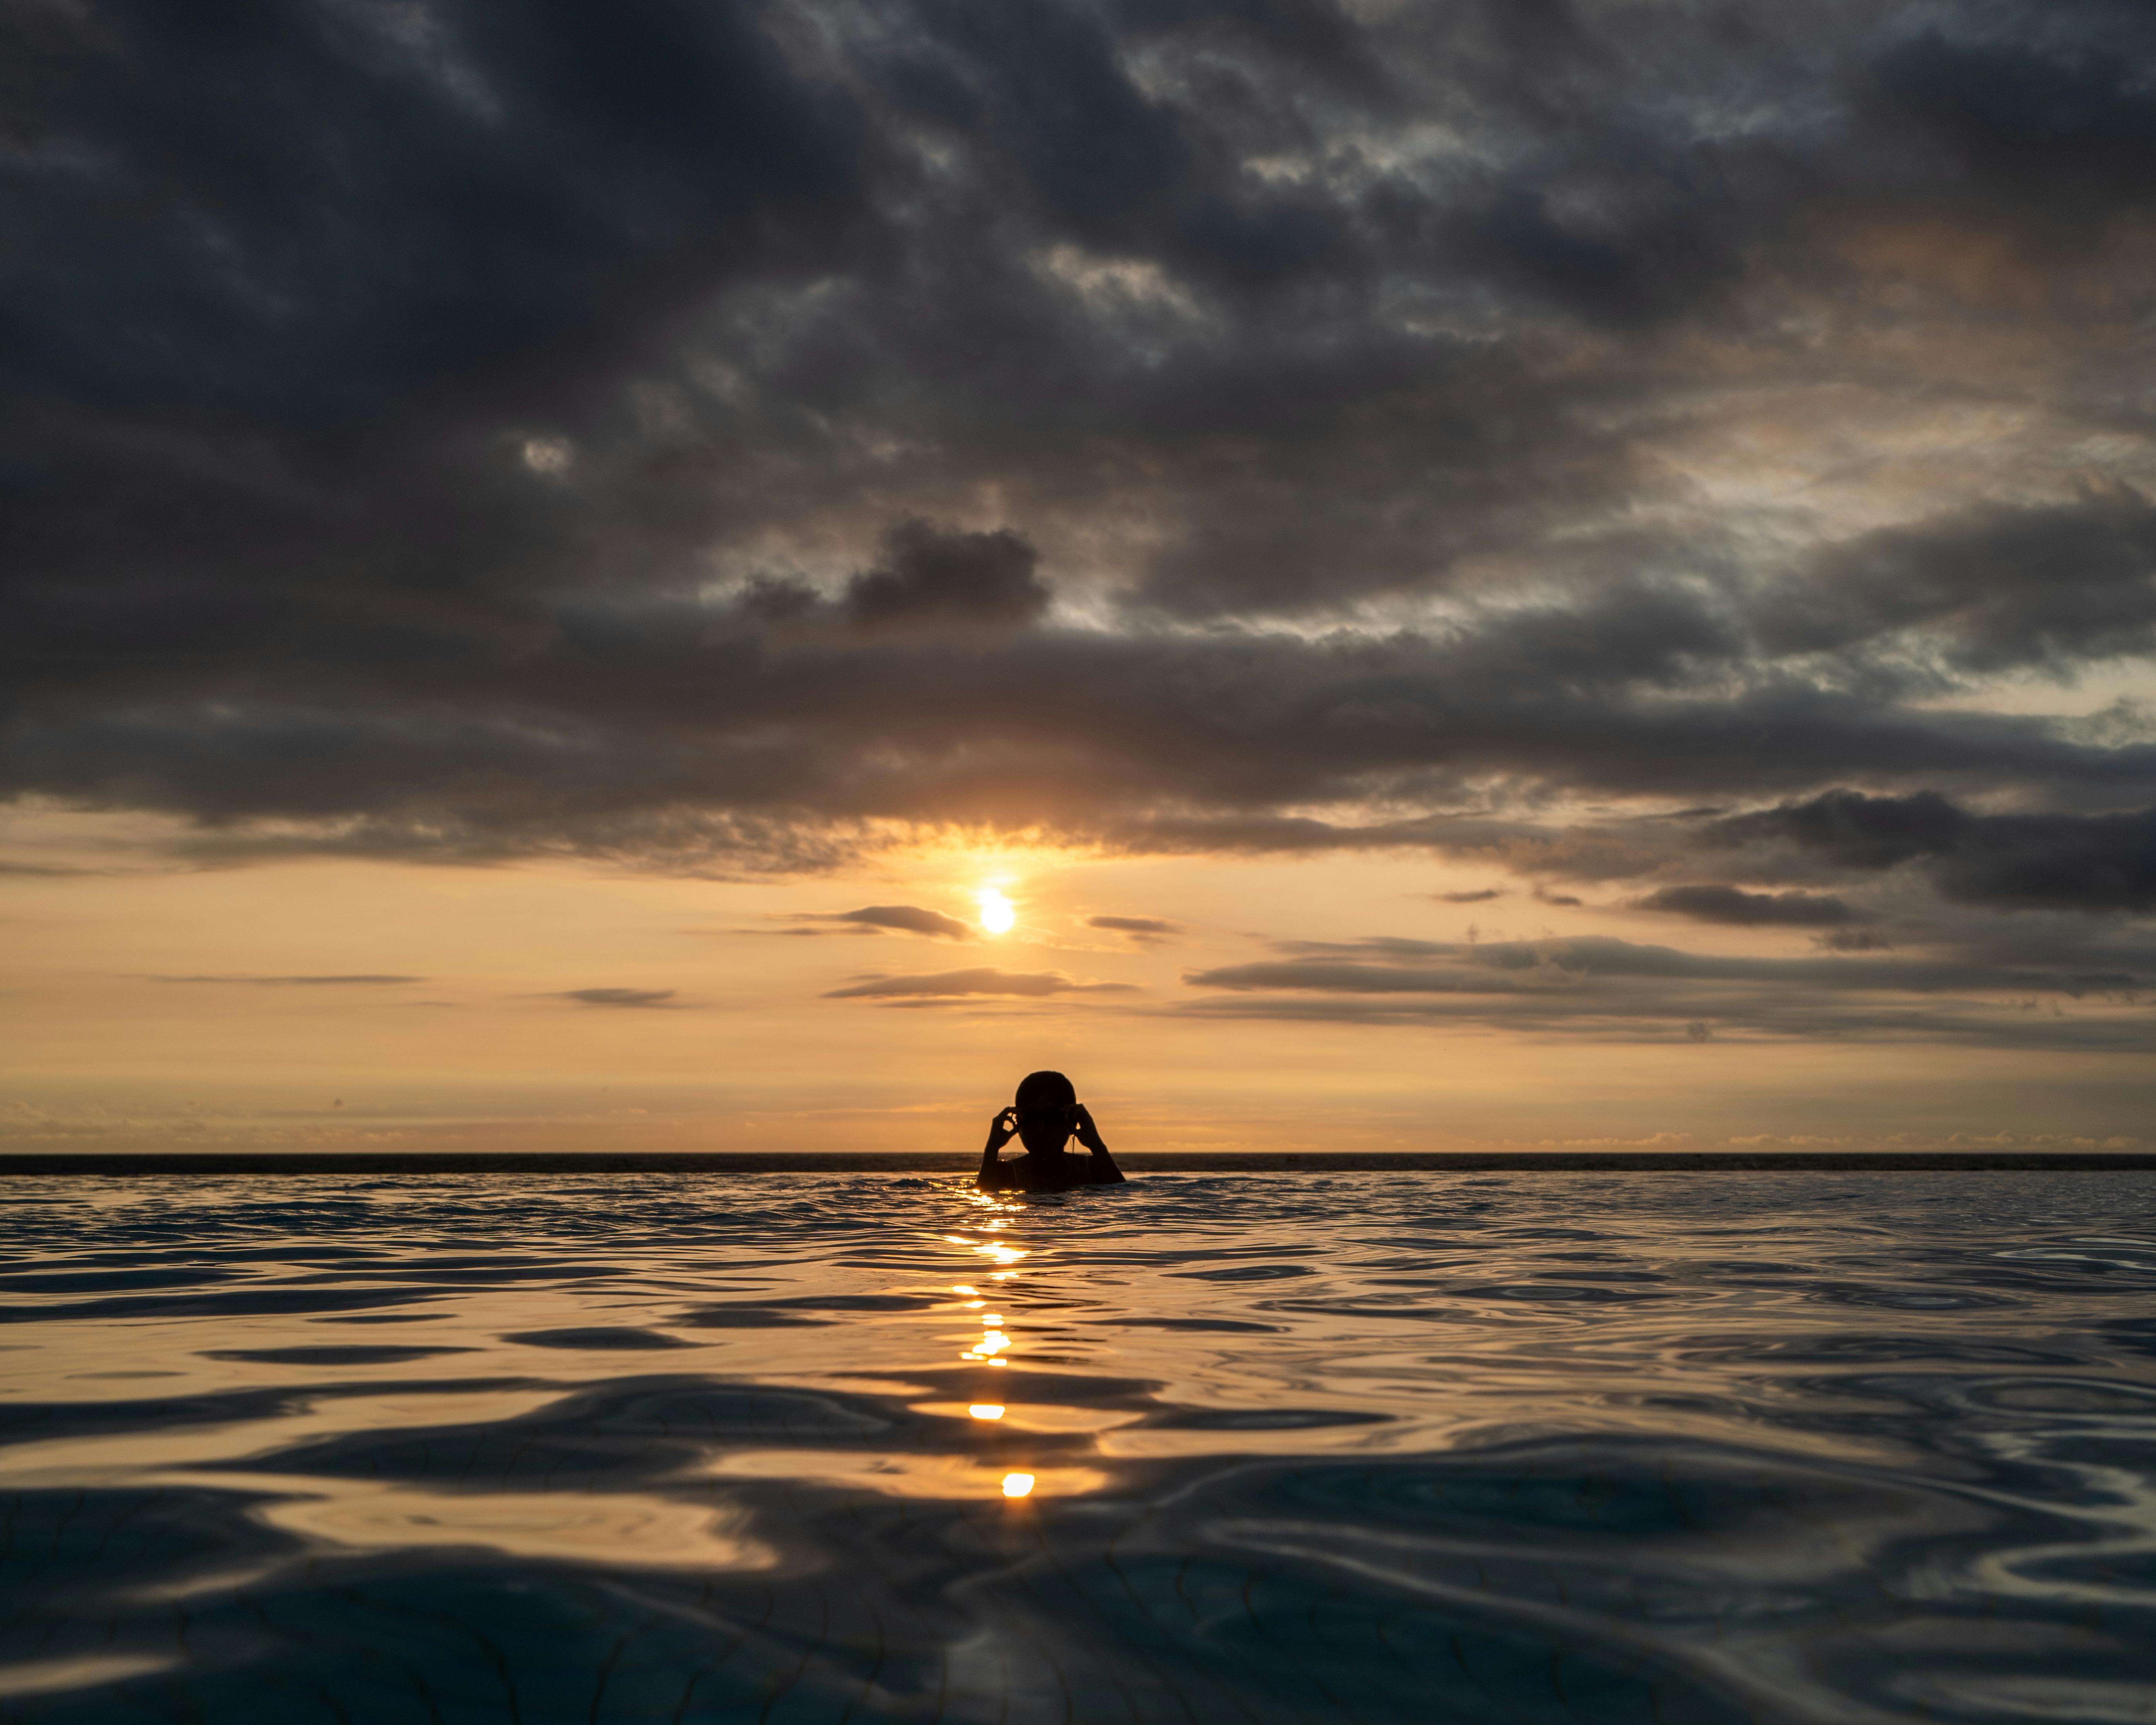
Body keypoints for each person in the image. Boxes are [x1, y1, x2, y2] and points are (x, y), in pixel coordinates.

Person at [977, 1070, 1125, 1192]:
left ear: (1071, 1122)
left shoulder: (1092, 1168)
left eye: (1052, 1118)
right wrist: (992, 1148)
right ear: (1018, 1123)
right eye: (1031, 1119)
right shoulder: (1006, 1172)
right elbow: (982, 1193)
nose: (1041, 1129)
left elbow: (1121, 1196)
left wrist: (1096, 1144)